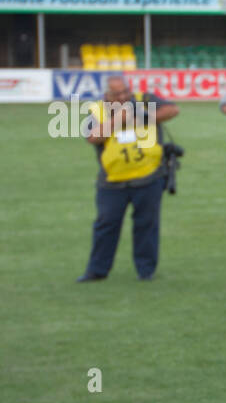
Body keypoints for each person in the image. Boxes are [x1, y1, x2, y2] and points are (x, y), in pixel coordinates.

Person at [77, 75, 179, 282]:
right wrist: (118, 120)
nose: (123, 97)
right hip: (112, 181)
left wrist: (138, 116)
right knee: (106, 225)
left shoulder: (144, 99)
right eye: (117, 94)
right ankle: (97, 270)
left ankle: (146, 270)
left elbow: (171, 110)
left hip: (149, 176)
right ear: (107, 95)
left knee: (147, 224)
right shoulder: (96, 110)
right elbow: (92, 137)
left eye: (125, 92)